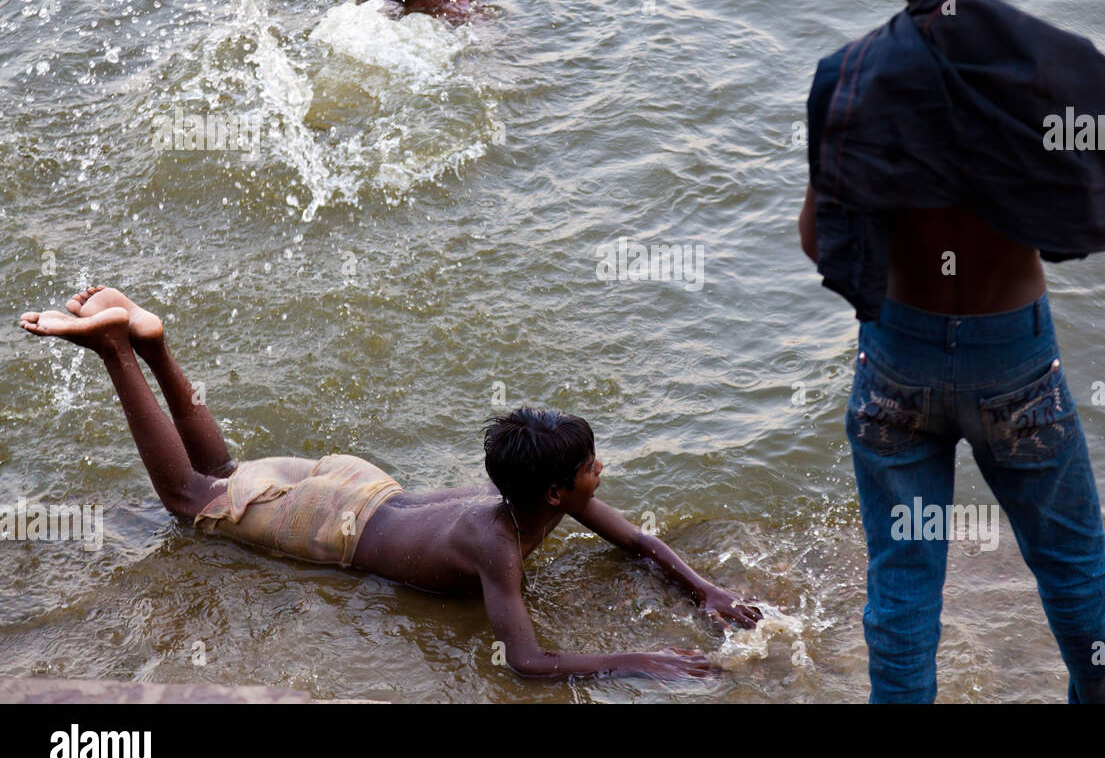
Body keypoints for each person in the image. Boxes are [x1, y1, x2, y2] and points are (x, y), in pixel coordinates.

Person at [798, 0, 1105, 702]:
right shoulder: (1051, 68)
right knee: (1074, 575)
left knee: (904, 584)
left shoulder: (847, 75)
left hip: (896, 364)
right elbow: (1102, 195)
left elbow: (819, 239)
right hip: (1016, 363)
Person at [18, 287, 760, 680]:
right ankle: (117, 349)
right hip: (330, 517)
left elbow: (638, 540)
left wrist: (705, 590)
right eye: (592, 464)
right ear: (559, 493)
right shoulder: (495, 540)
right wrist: (640, 660)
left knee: (224, 473)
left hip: (354, 487)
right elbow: (528, 662)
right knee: (189, 498)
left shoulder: (549, 499)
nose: (602, 471)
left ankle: (155, 341)